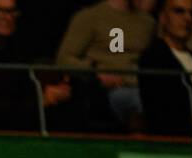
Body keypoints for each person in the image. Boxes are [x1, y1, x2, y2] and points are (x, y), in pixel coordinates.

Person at [0, 0, 73, 131]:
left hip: (23, 130)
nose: (8, 18)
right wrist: (40, 101)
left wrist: (53, 88)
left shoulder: (19, 44)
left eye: (12, 11)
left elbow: (24, 89)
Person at [56, 0, 153, 129]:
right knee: (137, 100)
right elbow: (64, 58)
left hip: (143, 86)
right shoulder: (90, 17)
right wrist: (96, 74)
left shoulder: (148, 22)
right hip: (108, 91)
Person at [137, 0, 192, 137]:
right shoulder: (153, 59)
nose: (188, 18)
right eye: (179, 11)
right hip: (182, 139)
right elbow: (168, 106)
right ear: (163, 17)